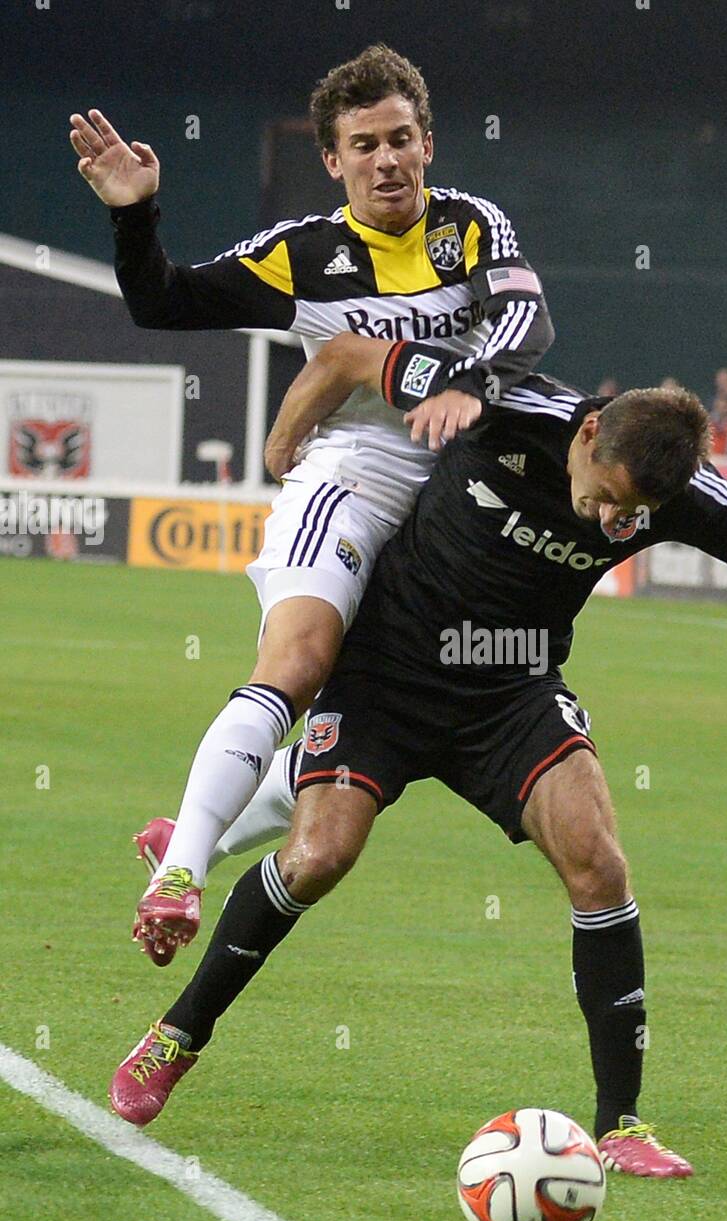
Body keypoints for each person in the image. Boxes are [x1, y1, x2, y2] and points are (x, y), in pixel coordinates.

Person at [109, 335, 727, 1181]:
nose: (618, 524)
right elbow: (353, 355)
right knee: (321, 855)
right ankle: (176, 1035)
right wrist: (288, 440)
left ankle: (622, 1124)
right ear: (588, 439)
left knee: (599, 864)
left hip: (510, 692)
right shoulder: (505, 403)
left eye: (636, 519)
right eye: (611, 501)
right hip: (383, 675)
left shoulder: (688, 496)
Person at [69, 45, 552, 963]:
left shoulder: (473, 226)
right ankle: (181, 878)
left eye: (402, 139)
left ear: (429, 143)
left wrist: (473, 386)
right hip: (351, 481)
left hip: (455, 508)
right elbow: (163, 304)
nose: (387, 161)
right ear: (333, 161)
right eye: (364, 145)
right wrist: (136, 218)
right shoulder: (303, 254)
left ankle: (190, 835)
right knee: (294, 669)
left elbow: (529, 323)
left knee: (372, 721)